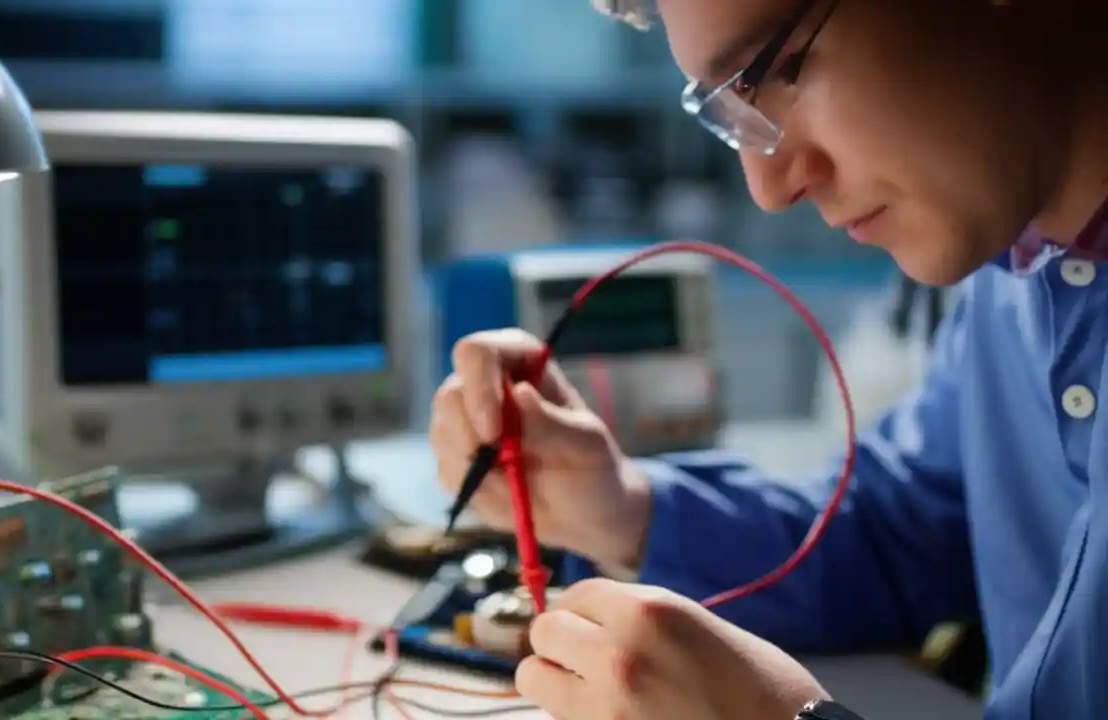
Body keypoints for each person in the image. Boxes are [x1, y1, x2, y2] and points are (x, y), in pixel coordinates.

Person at [429, 0, 1108, 718]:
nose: (770, 187)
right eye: (730, 114)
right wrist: (620, 510)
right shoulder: (1021, 267)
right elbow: (902, 529)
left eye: (782, 68)